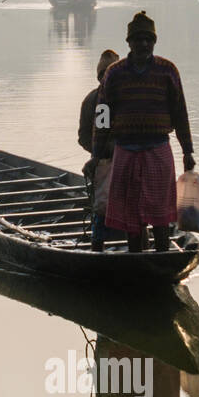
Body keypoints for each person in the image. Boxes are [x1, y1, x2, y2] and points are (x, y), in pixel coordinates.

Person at [87, 11, 195, 253]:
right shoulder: (114, 74)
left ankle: (162, 255)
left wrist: (187, 151)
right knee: (131, 217)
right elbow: (102, 117)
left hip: (158, 150)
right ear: (129, 43)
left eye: (148, 39)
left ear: (154, 42)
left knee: (159, 215)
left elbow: (180, 113)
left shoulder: (168, 71)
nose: (143, 44)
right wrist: (96, 155)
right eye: (138, 39)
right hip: (126, 151)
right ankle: (136, 257)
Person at [78, 49, 119, 251]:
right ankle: (97, 247)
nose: (109, 78)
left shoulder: (124, 98)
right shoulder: (93, 100)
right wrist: (99, 154)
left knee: (132, 211)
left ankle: (140, 244)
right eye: (105, 74)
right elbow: (84, 137)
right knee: (101, 209)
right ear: (100, 76)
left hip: (125, 161)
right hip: (102, 164)